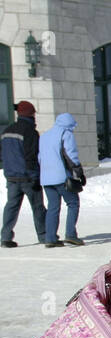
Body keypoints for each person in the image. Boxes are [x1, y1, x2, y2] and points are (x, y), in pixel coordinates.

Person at [1, 100, 46, 247]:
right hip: (27, 176)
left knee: (11, 206)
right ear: (30, 114)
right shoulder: (30, 131)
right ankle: (44, 235)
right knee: (38, 206)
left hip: (11, 176)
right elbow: (31, 155)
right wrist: (35, 177)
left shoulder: (6, 131)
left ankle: (6, 237)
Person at [38, 112, 85, 247]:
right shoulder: (66, 134)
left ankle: (50, 238)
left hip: (46, 178)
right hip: (61, 177)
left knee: (53, 207)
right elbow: (71, 155)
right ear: (69, 124)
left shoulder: (44, 136)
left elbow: (40, 158)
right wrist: (79, 173)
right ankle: (70, 234)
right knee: (73, 203)